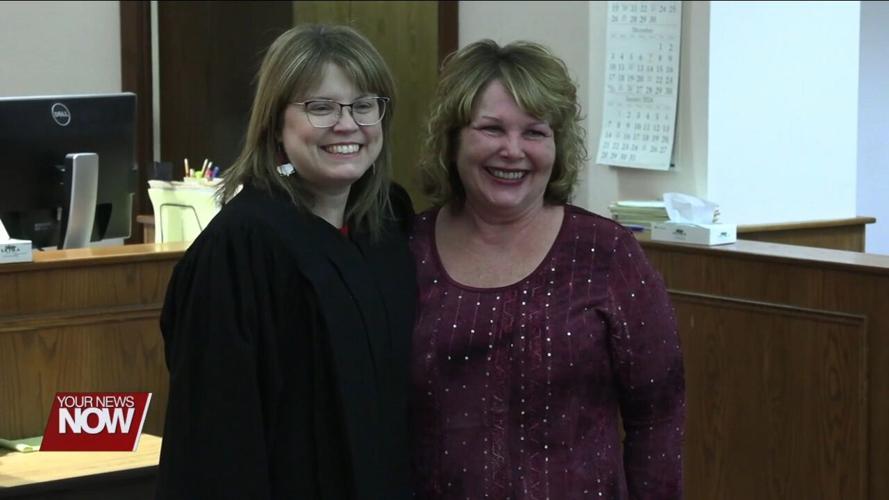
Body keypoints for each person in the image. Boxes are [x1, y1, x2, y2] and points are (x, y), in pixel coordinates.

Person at [409, 39, 685, 499]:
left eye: (534, 132)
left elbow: (657, 416)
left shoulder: (608, 255)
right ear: (452, 139)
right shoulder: (405, 250)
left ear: (557, 146)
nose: (513, 151)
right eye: (492, 129)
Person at [156, 24, 416, 499]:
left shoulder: (387, 223)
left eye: (364, 105)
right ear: (276, 123)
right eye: (320, 107)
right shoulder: (241, 249)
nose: (347, 125)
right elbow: (215, 447)